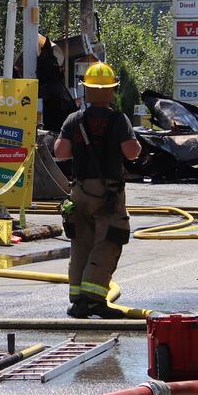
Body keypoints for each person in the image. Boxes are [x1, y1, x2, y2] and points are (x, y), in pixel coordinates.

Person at [52, 62, 142, 318]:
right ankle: (93, 299)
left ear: (87, 90)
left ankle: (77, 299)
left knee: (81, 243)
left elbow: (61, 152)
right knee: (109, 241)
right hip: (109, 193)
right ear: (112, 91)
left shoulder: (74, 119)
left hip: (79, 192)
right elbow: (132, 154)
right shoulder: (118, 120)